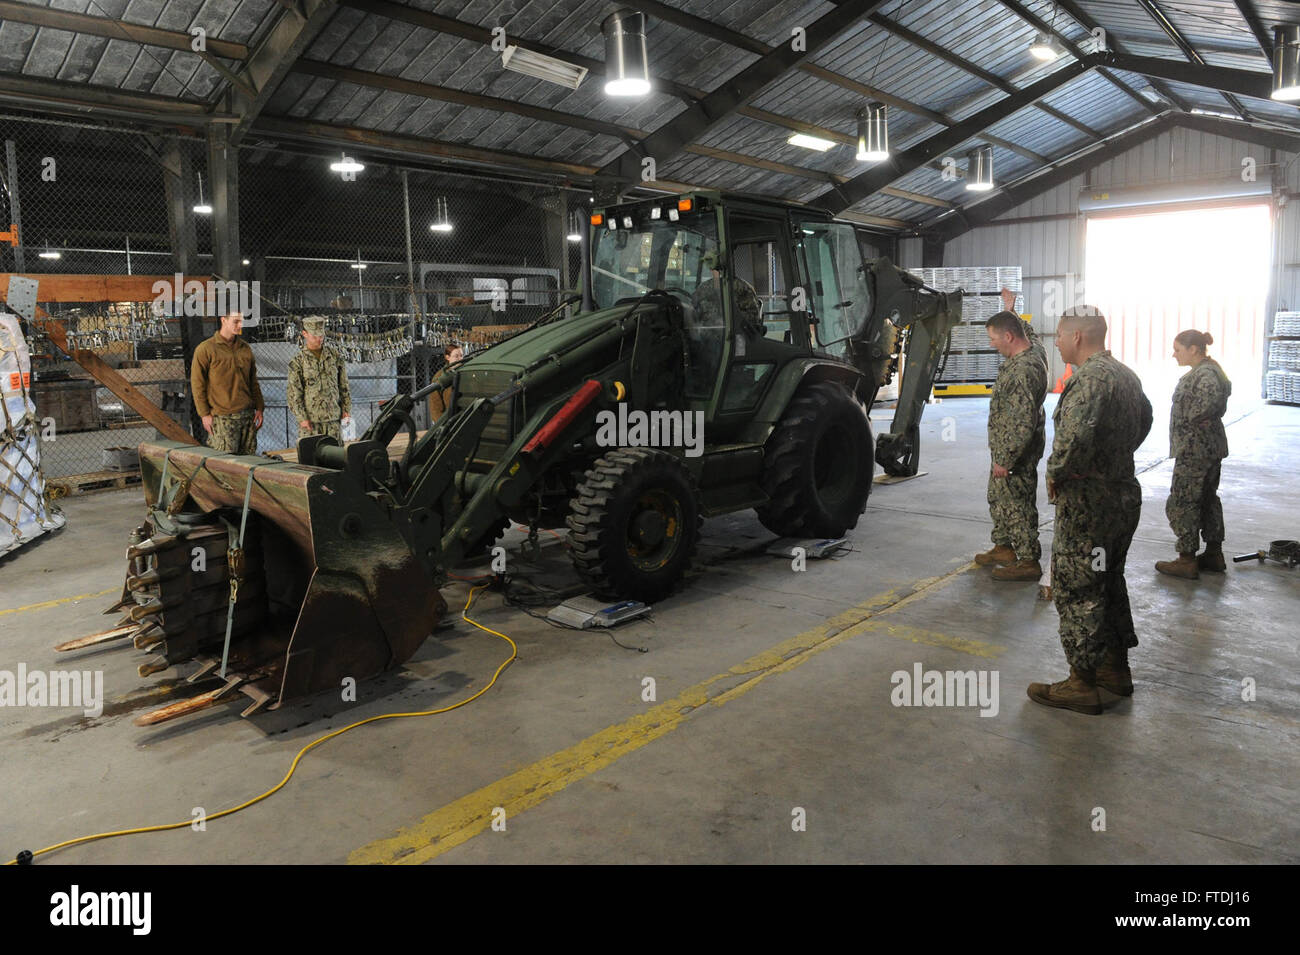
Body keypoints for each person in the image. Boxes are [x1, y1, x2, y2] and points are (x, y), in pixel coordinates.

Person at [1030, 306, 1152, 715]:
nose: (1058, 343)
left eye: (1061, 336)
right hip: (1121, 496)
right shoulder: (1124, 375)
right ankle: (1115, 670)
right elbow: (1146, 420)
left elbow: (1073, 438)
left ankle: (1081, 682)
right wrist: (1115, 456)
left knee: (1078, 586)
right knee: (1108, 579)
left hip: (1088, 504)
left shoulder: (1089, 379)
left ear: (1077, 337)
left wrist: (1055, 474)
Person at [976, 310, 1048, 581]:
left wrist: (1005, 459)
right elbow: (1030, 333)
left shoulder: (1022, 371)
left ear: (1008, 336)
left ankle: (1029, 560)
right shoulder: (1035, 352)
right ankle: (1004, 547)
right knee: (999, 497)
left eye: (994, 339)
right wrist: (1013, 308)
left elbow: (1021, 422)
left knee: (1017, 503)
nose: (991, 344)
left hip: (1015, 452)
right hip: (1007, 447)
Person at [1155, 329, 1232, 579]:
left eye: (1178, 349)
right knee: (1207, 499)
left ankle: (1186, 558)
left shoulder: (1205, 374)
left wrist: (1189, 422)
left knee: (1184, 500)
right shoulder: (1207, 371)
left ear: (1194, 350)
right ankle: (1213, 553)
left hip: (1196, 449)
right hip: (1205, 447)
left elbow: (1203, 408)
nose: (1174, 354)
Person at [191, 310, 264, 454]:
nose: (240, 325)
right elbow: (197, 384)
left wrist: (260, 407)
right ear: (223, 320)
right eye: (236, 321)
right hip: (222, 418)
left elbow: (253, 381)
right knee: (225, 465)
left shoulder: (245, 348)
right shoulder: (206, 349)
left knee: (249, 464)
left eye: (242, 321)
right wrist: (204, 414)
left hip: (247, 416)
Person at [287, 316, 352, 441]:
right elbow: (294, 393)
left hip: (333, 420)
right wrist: (302, 418)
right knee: (311, 459)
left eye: (321, 336)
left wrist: (346, 410)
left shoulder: (334, 356)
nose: (319, 339)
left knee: (336, 457)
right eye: (314, 336)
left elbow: (344, 385)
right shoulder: (298, 361)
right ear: (304, 334)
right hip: (311, 422)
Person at [427, 342, 464, 422]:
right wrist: (442, 424)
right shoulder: (440, 377)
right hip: (448, 420)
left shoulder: (465, 372)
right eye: (456, 356)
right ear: (447, 357)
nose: (460, 359)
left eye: (461, 355)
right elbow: (435, 407)